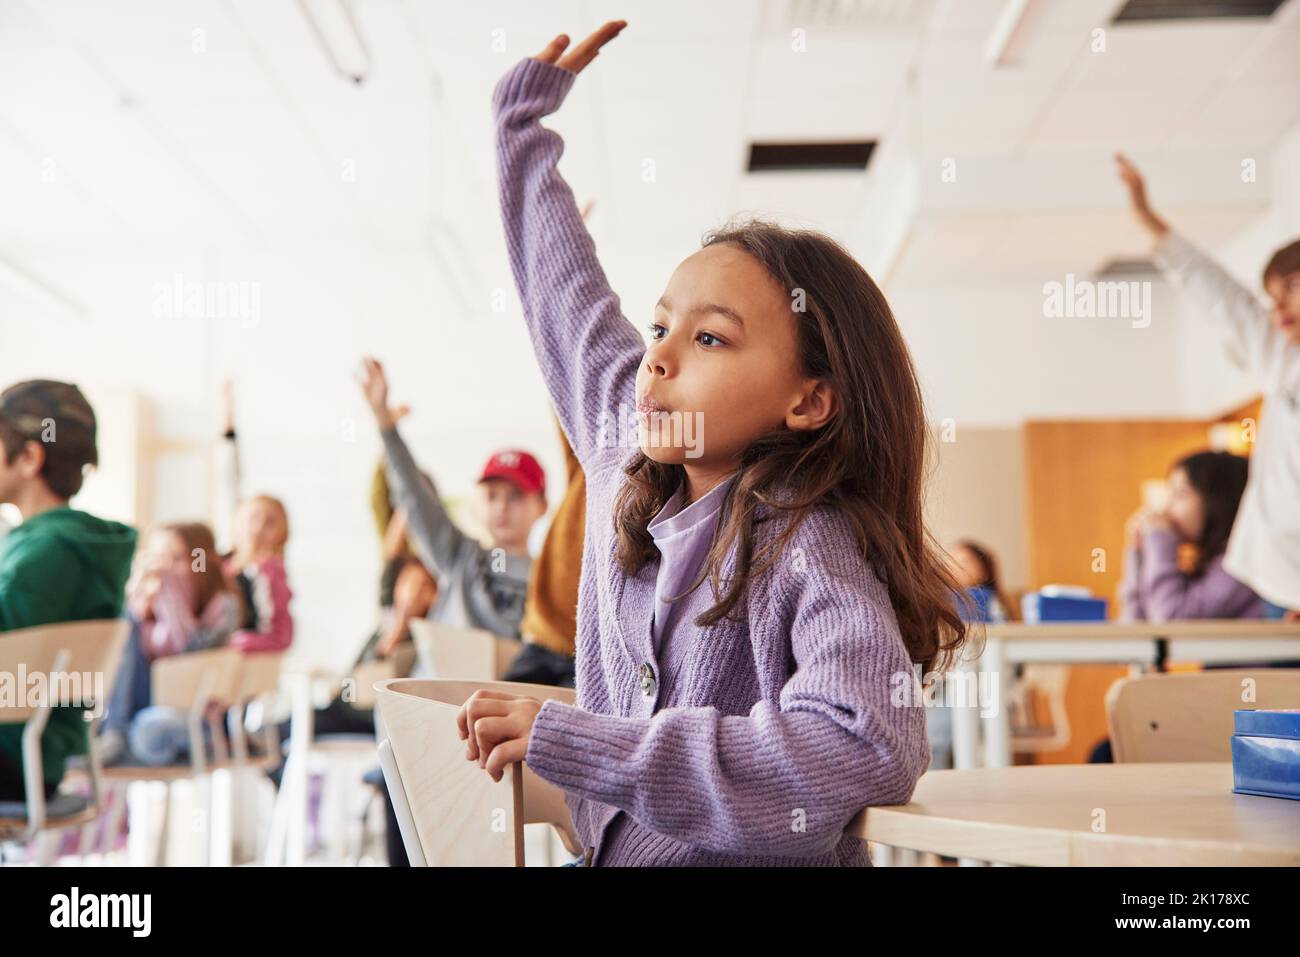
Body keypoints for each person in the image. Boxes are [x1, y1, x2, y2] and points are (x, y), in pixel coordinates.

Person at [457, 22, 968, 867]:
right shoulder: (630, 450)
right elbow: (566, 296)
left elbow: (869, 744)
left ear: (809, 400)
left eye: (711, 340)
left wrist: (601, 748)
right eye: (662, 326)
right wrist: (520, 130)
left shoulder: (808, 541)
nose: (656, 354)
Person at [356, 357, 547, 864]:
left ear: (540, 506)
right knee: (407, 800)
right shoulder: (459, 558)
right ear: (477, 503)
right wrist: (385, 424)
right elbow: (415, 501)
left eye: (516, 495)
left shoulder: (557, 582)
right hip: (429, 724)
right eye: (492, 495)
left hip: (499, 734)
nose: (502, 506)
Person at [1116, 154, 1300, 618]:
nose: (1277, 314)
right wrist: (1151, 222)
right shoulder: (1284, 359)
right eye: (1272, 300)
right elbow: (1226, 301)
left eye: (1291, 290)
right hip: (1278, 578)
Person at [0, 380, 136, 800]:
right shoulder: (75, 544)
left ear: (28, 457)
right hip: (39, 757)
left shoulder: (48, 552)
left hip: (14, 757)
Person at [99, 522, 240, 765]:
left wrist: (170, 596)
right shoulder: (146, 607)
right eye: (159, 559)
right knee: (125, 623)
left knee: (149, 732)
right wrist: (136, 594)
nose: (166, 570)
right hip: (140, 706)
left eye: (176, 559)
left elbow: (184, 650)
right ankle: (117, 733)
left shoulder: (223, 607)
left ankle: (123, 741)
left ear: (201, 562)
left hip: (192, 711)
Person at [1118, 450, 1266, 622]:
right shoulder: (1211, 565)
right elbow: (1136, 625)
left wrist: (1160, 540)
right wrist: (1139, 555)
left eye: (1180, 495)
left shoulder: (1241, 564)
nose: (1166, 509)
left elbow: (1172, 621)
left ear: (1217, 501)